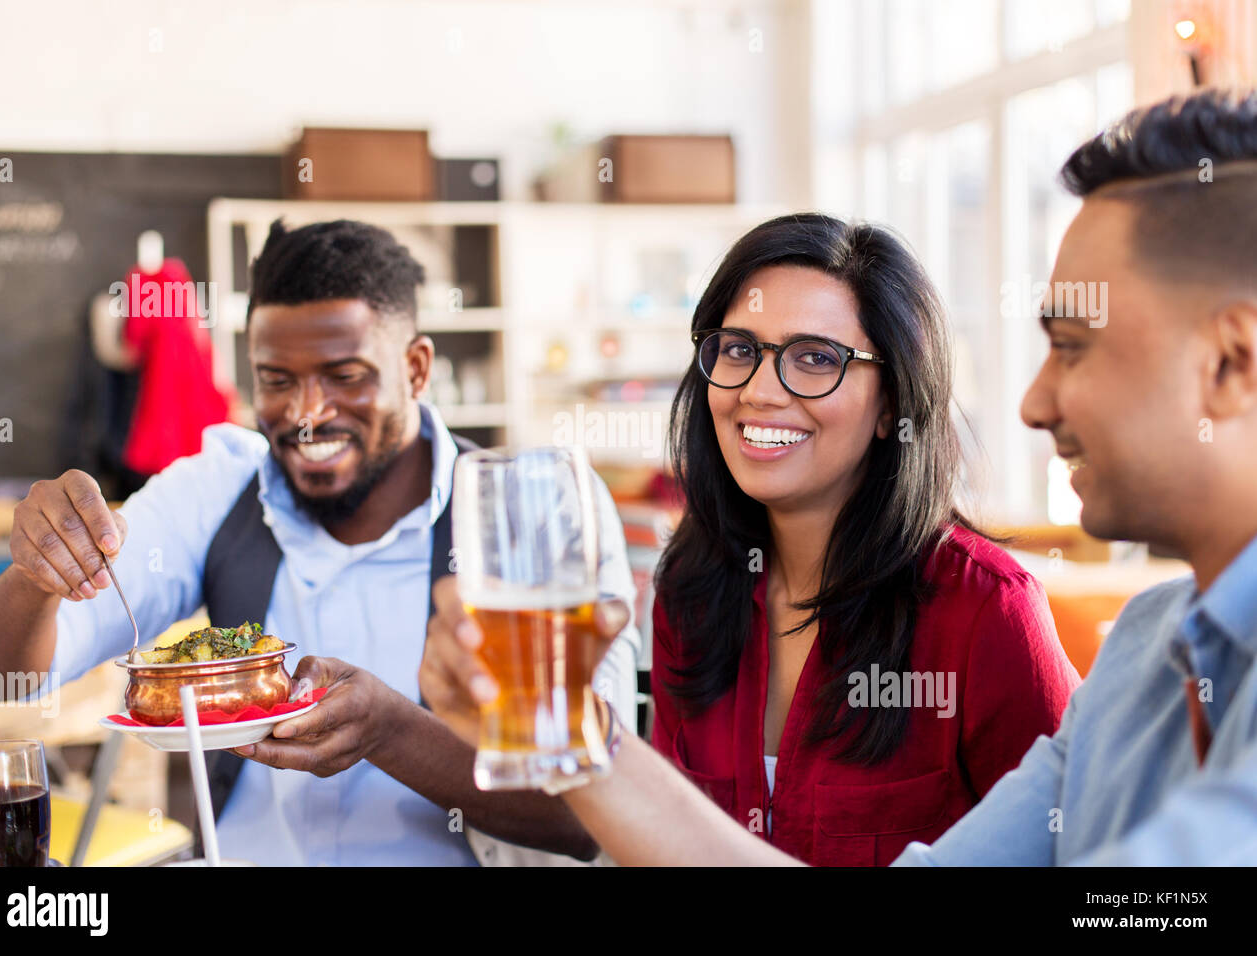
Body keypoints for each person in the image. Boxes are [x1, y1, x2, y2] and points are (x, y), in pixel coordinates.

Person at [421, 87, 1257, 866]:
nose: (1034, 403)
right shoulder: (1146, 657)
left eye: (1072, 346)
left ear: (1233, 362)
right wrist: (570, 735)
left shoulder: (989, 609)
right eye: (740, 350)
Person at [0, 218, 640, 866]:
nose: (307, 415)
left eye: (345, 377)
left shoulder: (531, 514)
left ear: (417, 368)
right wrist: (36, 578)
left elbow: (588, 815)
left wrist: (390, 732)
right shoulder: (219, 487)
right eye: (277, 381)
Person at [428, 210, 1080, 868]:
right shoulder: (691, 587)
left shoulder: (987, 611)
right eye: (739, 349)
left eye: (816, 359)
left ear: (891, 405)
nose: (761, 392)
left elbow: (1082, 854)